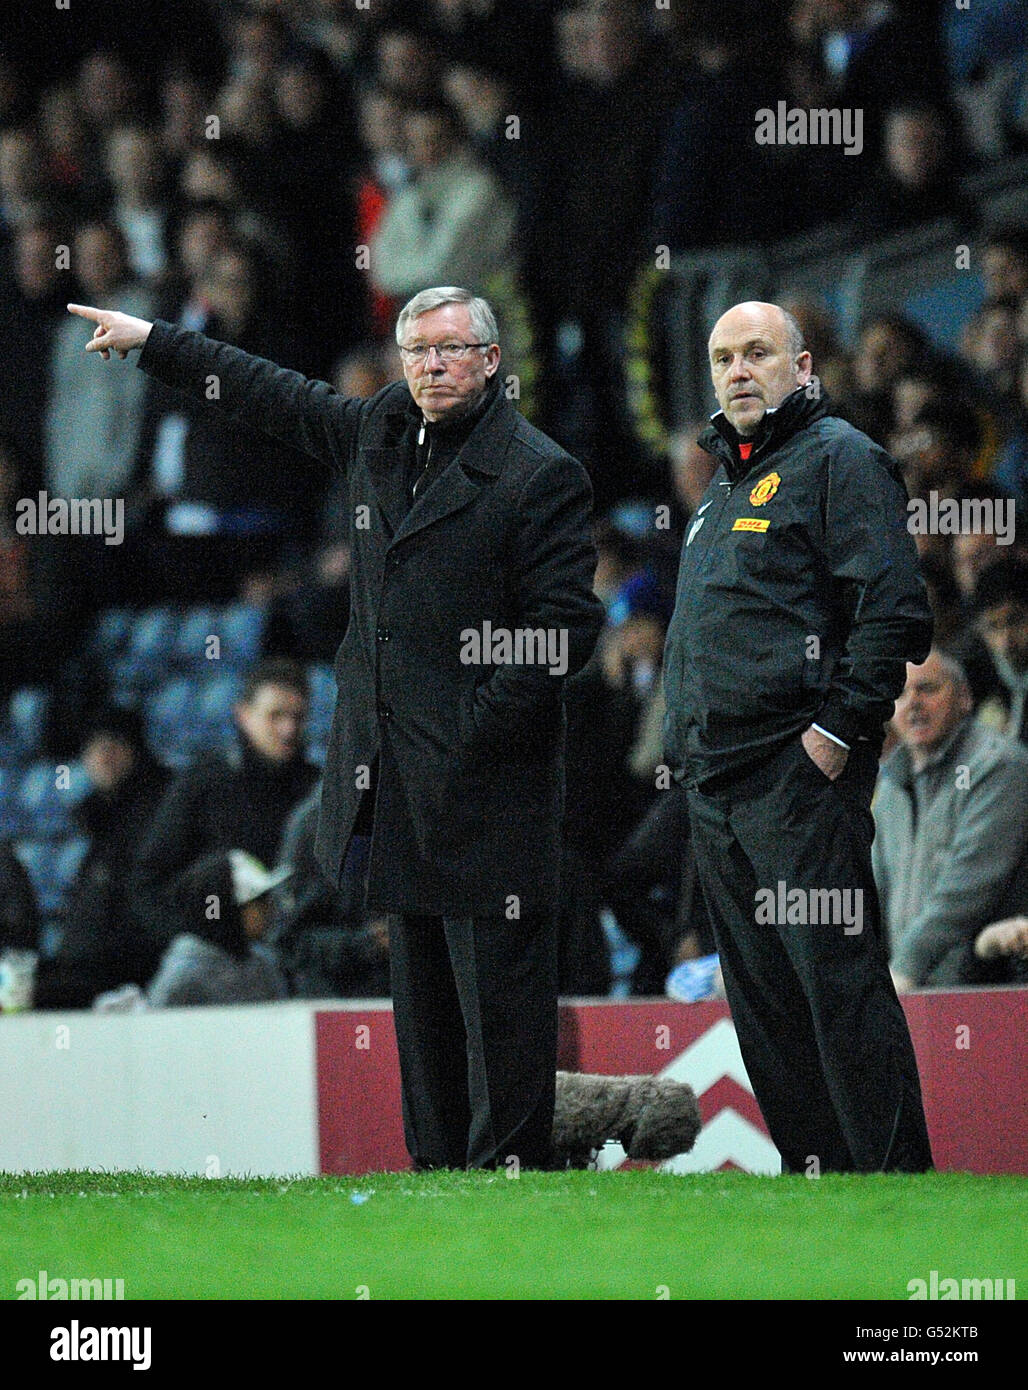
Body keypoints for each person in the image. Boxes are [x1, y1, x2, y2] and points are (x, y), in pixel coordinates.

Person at [67, 285, 604, 1171]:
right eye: (415, 350)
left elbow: (564, 632)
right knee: (424, 1030)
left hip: (487, 800)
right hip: (390, 788)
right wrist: (154, 341)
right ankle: (437, 1203)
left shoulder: (539, 472)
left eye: (449, 349)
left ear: (492, 361)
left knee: (502, 1035)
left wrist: (473, 728)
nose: (430, 366)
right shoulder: (379, 434)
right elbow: (265, 390)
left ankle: (519, 1205)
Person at [662, 299, 935, 1174]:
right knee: (765, 1004)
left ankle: (896, 1182)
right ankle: (820, 1187)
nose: (738, 372)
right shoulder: (723, 484)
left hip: (796, 776)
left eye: (757, 354)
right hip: (717, 785)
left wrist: (835, 732)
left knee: (839, 986)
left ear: (804, 367)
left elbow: (892, 614)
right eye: (722, 359)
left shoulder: (841, 460)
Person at [874, 650, 1028, 990]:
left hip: (984, 992)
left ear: (965, 698)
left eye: (927, 688)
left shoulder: (998, 766)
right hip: (913, 992)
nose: (912, 702)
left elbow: (967, 887)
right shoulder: (889, 784)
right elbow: (872, 892)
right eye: (900, 692)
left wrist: (903, 969)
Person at [34, 706, 171, 1009]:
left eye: (114, 745)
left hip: (124, 979)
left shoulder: (157, 817)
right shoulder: (99, 822)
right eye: (94, 748)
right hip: (85, 971)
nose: (103, 757)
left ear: (136, 751)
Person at [146, 850, 289, 1007]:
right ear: (231, 910)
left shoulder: (264, 965)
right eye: (259, 902)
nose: (269, 909)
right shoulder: (184, 978)